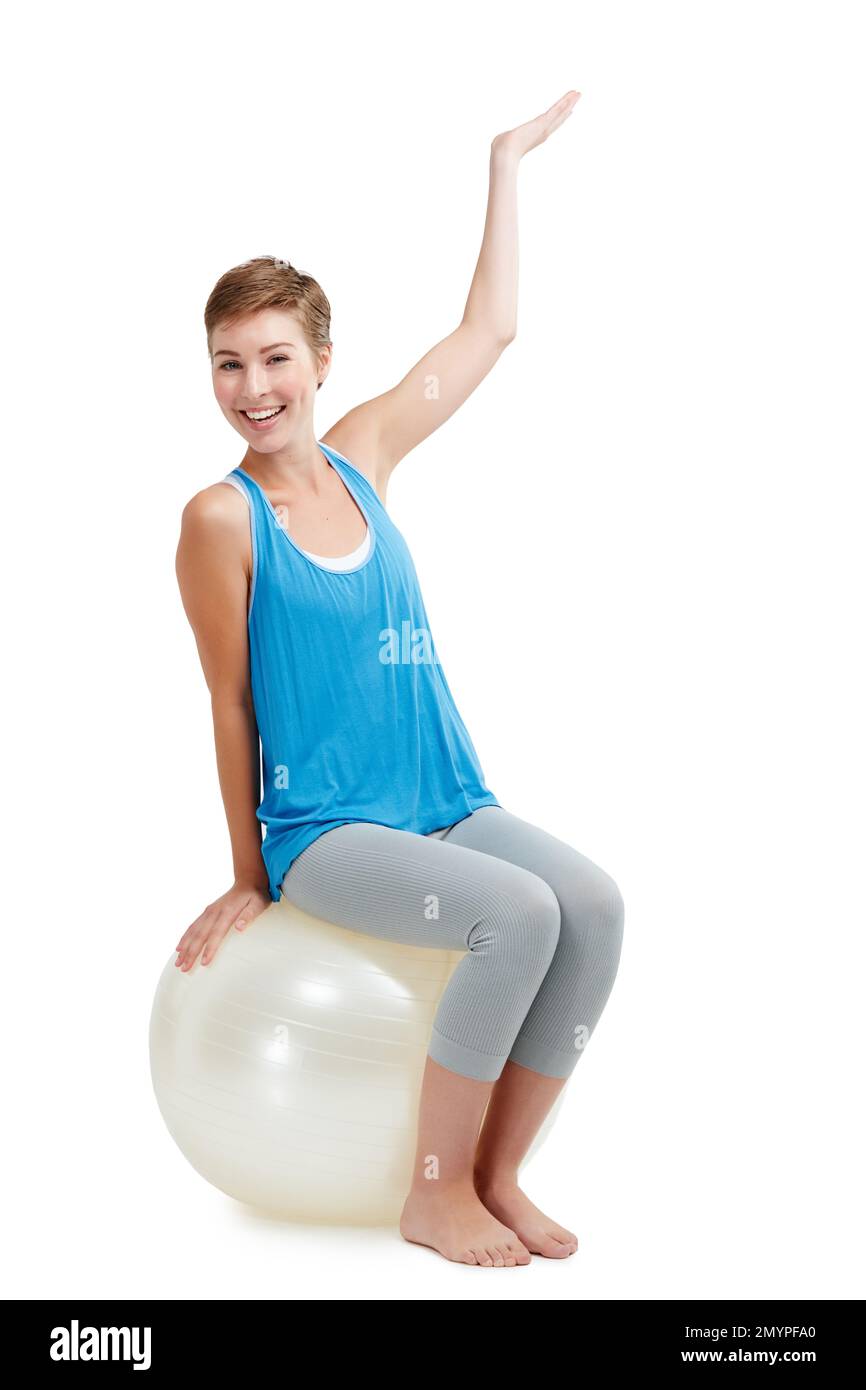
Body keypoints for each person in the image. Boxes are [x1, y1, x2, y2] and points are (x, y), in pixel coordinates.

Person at [174, 89, 624, 1268]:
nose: (252, 384)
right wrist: (249, 872)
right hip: (325, 828)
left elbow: (488, 332)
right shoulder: (220, 519)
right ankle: (433, 1190)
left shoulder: (366, 453)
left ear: (322, 361)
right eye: (227, 363)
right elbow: (227, 702)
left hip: (444, 798)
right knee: (513, 915)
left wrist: (504, 165)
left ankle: (495, 1173)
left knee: (591, 904)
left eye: (275, 356)